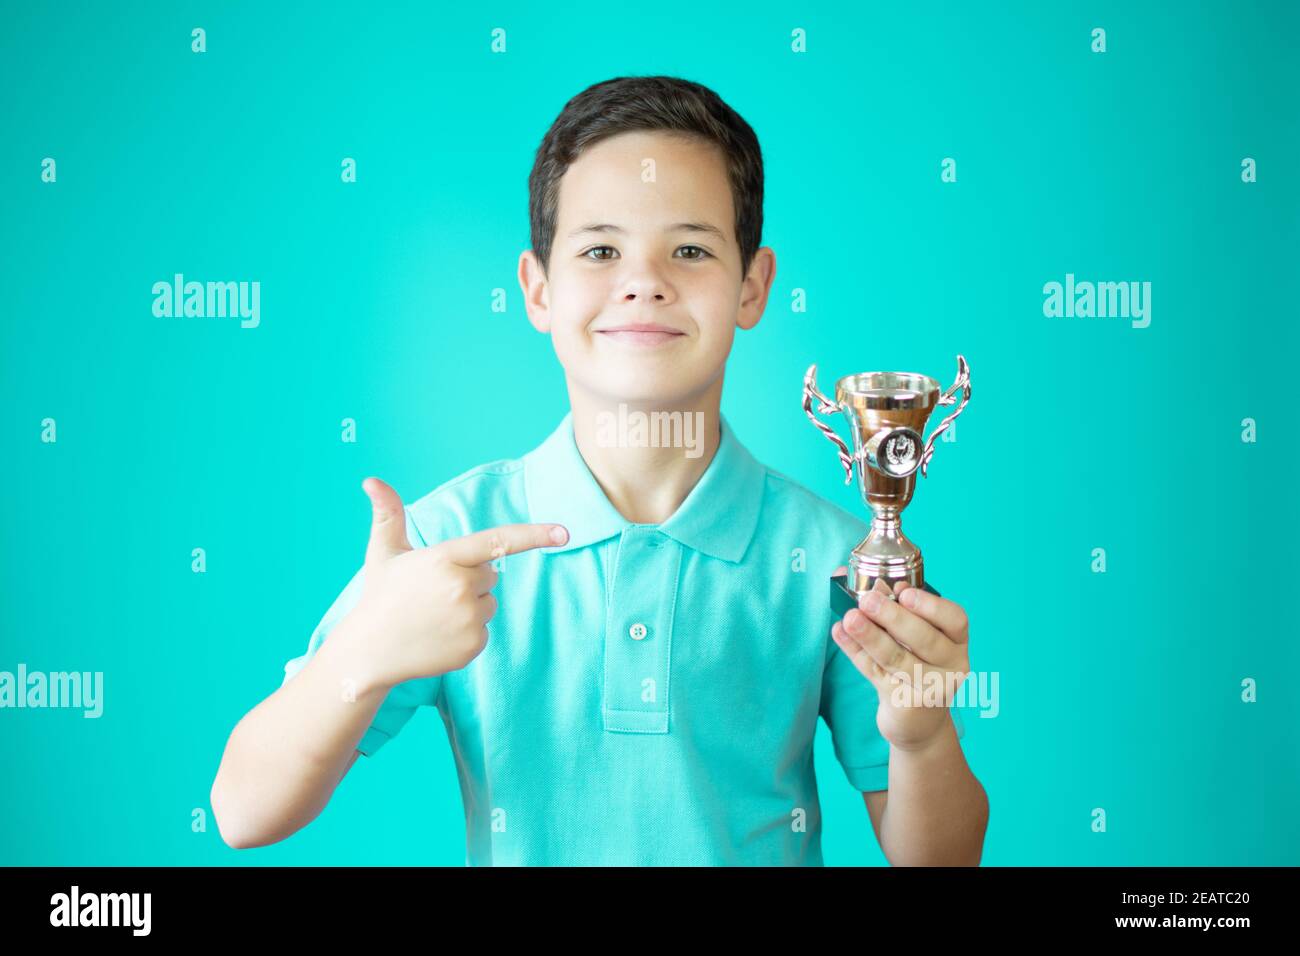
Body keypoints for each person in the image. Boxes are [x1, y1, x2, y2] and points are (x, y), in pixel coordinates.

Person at [209, 74, 988, 865]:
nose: (643, 280)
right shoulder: (448, 547)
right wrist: (361, 653)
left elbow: (943, 861)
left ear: (752, 287)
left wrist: (922, 738)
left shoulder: (838, 559)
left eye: (689, 249)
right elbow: (244, 810)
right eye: (600, 249)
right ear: (538, 290)